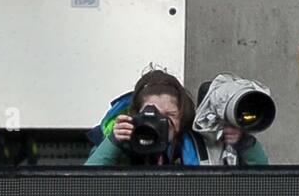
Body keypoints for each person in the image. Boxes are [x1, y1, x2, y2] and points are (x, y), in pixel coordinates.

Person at [84, 69, 269, 167]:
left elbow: (263, 182)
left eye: (170, 115)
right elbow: (83, 186)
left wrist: (243, 143)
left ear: (183, 117)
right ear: (135, 115)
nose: (159, 121)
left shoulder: (203, 144)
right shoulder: (122, 142)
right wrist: (114, 142)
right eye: (152, 113)